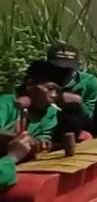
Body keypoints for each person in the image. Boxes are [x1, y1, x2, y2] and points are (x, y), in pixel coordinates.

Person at [0, 62, 64, 190]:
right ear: (30, 85)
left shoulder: (50, 112)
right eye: (50, 88)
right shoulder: (6, 103)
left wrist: (38, 143)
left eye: (58, 91)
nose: (55, 95)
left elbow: (43, 138)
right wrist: (17, 144)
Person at [46, 43, 97, 137]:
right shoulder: (40, 82)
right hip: (52, 122)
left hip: (81, 121)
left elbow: (90, 114)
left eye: (69, 66)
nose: (64, 70)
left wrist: (79, 103)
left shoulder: (89, 81)